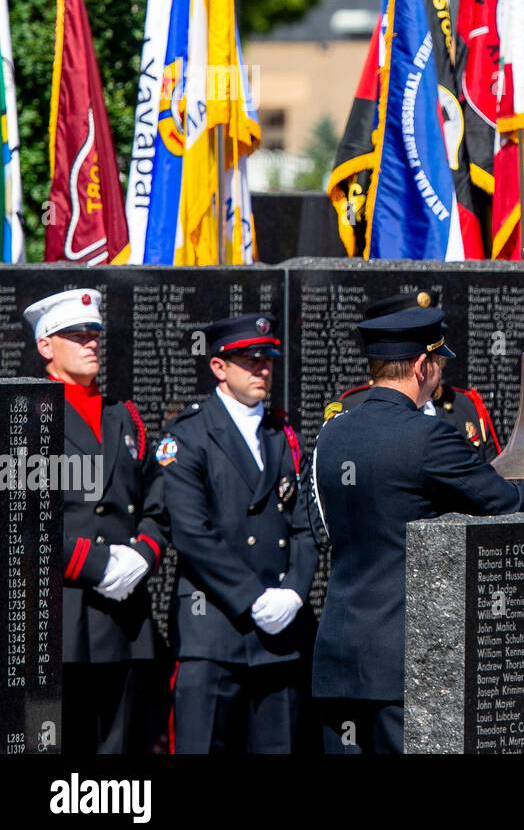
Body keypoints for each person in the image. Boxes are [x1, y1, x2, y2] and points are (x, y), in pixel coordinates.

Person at [307, 306, 524, 755]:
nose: (439, 374)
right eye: (439, 365)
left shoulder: (331, 434)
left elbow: (325, 526)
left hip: (338, 657)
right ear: (420, 366)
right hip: (403, 657)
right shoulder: (427, 436)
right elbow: (505, 502)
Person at [157, 314, 316, 754]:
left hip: (280, 634)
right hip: (213, 632)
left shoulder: (283, 435)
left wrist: (294, 592)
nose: (263, 369)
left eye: (266, 358)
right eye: (249, 360)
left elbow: (305, 526)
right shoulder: (188, 435)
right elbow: (191, 532)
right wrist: (253, 597)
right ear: (219, 368)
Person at [23, 289, 167, 754]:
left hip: (125, 616)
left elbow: (157, 505)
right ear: (46, 346)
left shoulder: (124, 418)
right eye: (75, 335)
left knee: (122, 746)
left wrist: (140, 557)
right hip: (59, 614)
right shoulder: (27, 417)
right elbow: (25, 520)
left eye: (94, 335)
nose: (90, 344)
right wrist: (98, 563)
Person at [325, 289, 500, 459]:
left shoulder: (467, 407)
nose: (439, 360)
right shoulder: (348, 411)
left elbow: (495, 474)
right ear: (420, 365)